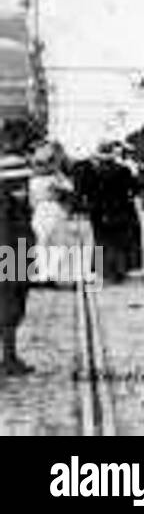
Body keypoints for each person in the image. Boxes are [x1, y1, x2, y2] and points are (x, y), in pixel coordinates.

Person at [0, 149, 34, 374]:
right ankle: (9, 360)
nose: (25, 184)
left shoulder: (14, 200)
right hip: (10, 260)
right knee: (9, 310)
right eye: (21, 181)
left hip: (19, 258)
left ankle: (10, 358)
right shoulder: (5, 203)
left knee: (14, 308)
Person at [85, 142, 139, 285]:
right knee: (118, 240)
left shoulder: (91, 172)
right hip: (120, 209)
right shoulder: (123, 170)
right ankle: (118, 270)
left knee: (100, 239)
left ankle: (102, 269)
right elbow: (134, 188)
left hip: (97, 210)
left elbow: (86, 191)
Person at [27, 142, 74, 285]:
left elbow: (31, 199)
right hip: (54, 209)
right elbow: (70, 188)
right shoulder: (55, 179)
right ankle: (51, 274)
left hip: (39, 211)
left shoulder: (32, 180)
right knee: (55, 244)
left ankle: (41, 275)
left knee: (41, 243)